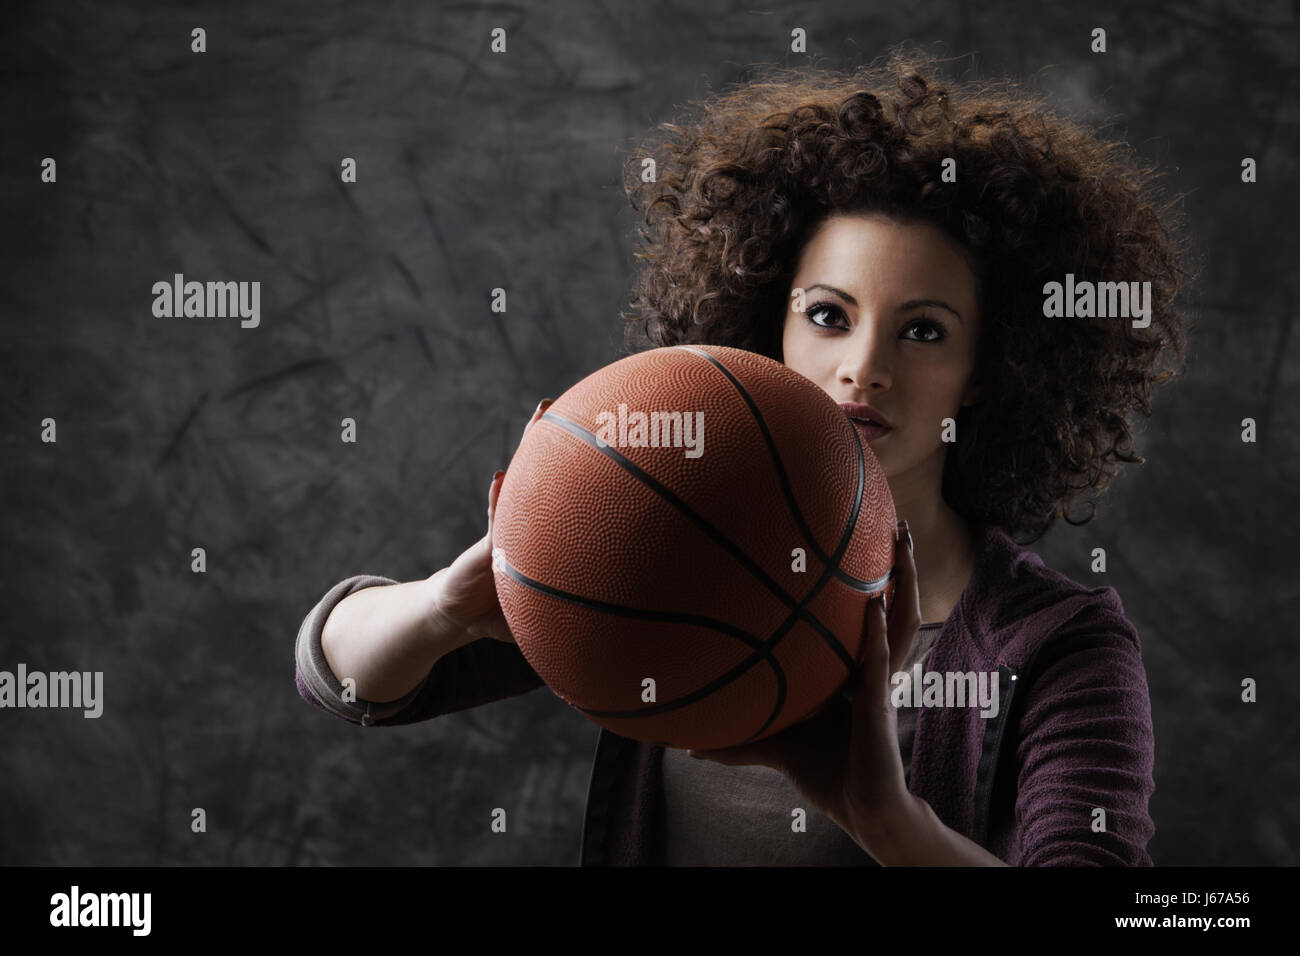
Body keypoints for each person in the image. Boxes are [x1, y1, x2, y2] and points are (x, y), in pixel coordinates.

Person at [294, 48, 1193, 866]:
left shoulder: (1056, 643)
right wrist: (447, 608)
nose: (864, 369)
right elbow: (342, 676)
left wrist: (888, 821)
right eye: (829, 315)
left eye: (923, 331)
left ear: (989, 372)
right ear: (769, 323)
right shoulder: (678, 541)